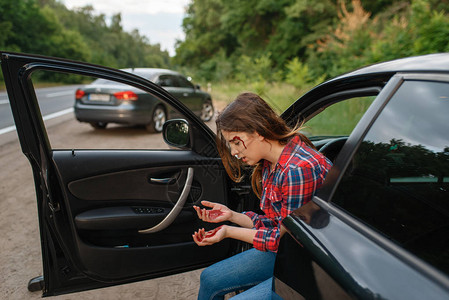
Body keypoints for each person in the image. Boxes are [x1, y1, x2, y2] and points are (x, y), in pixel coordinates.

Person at [192, 92, 332, 299]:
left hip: (307, 264)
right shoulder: (269, 163)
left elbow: (281, 239)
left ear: (258, 132)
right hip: (286, 249)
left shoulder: (297, 170)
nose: (233, 152)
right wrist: (231, 215)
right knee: (210, 278)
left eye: (236, 142)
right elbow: (277, 224)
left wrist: (228, 231)